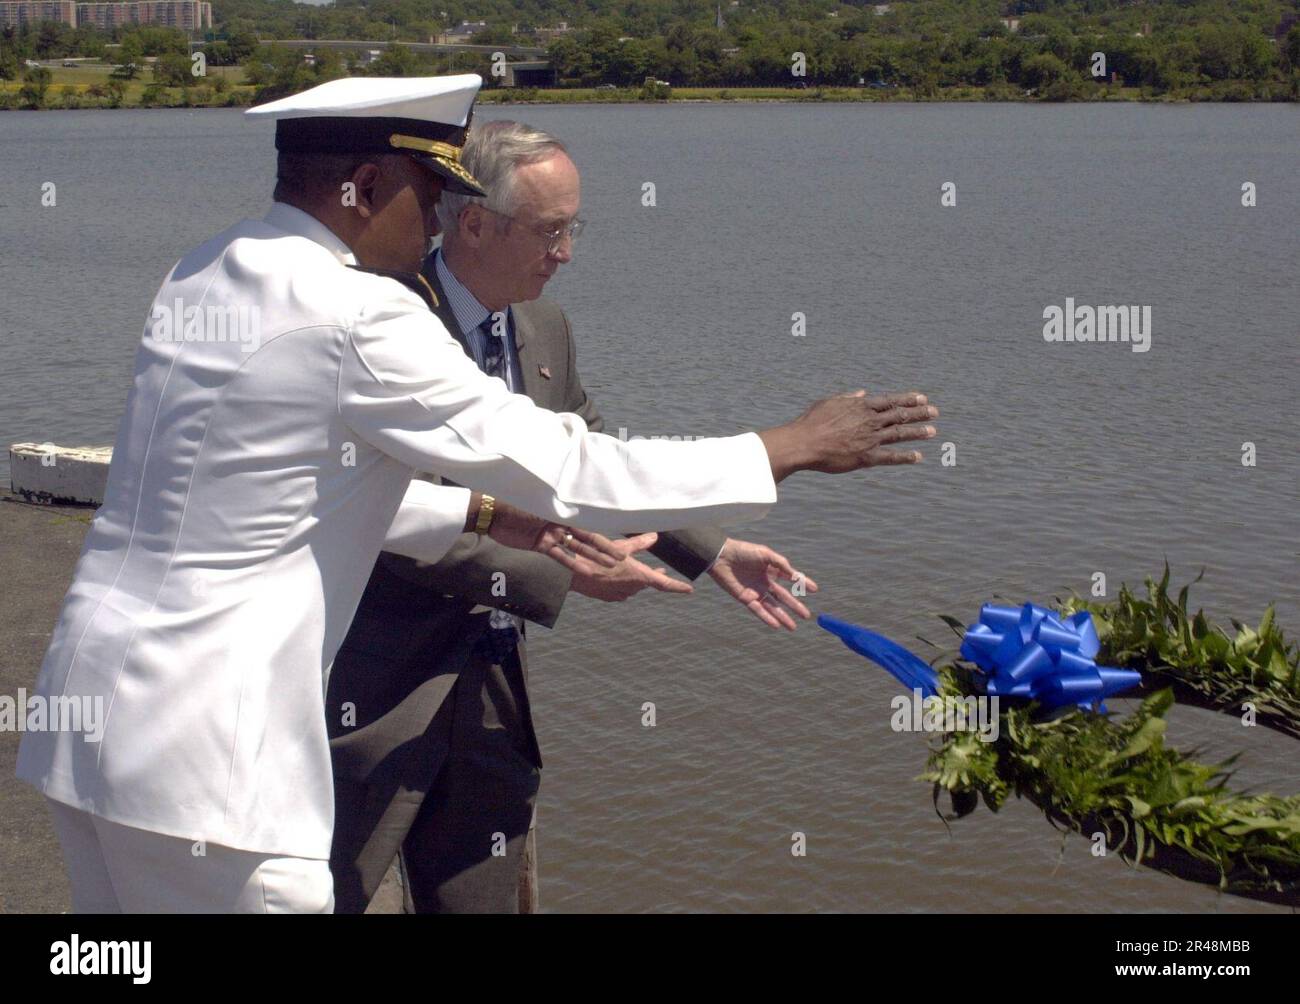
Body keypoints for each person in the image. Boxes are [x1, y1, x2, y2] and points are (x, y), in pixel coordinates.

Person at [15, 74, 939, 913]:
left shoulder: (202, 272)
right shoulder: (358, 311)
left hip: (94, 734)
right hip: (214, 772)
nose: (435, 225)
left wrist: (495, 518)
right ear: (368, 188)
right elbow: (568, 463)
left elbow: (284, 490)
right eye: (431, 195)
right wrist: (786, 446)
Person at [328, 120, 822, 914]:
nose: (566, 253)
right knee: (329, 892)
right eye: (551, 231)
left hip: (491, 687)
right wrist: (561, 569)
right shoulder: (382, 325)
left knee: (480, 899)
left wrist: (708, 547)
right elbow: (382, 515)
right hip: (370, 693)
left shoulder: (542, 325)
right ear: (478, 224)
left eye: (573, 229)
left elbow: (585, 447)